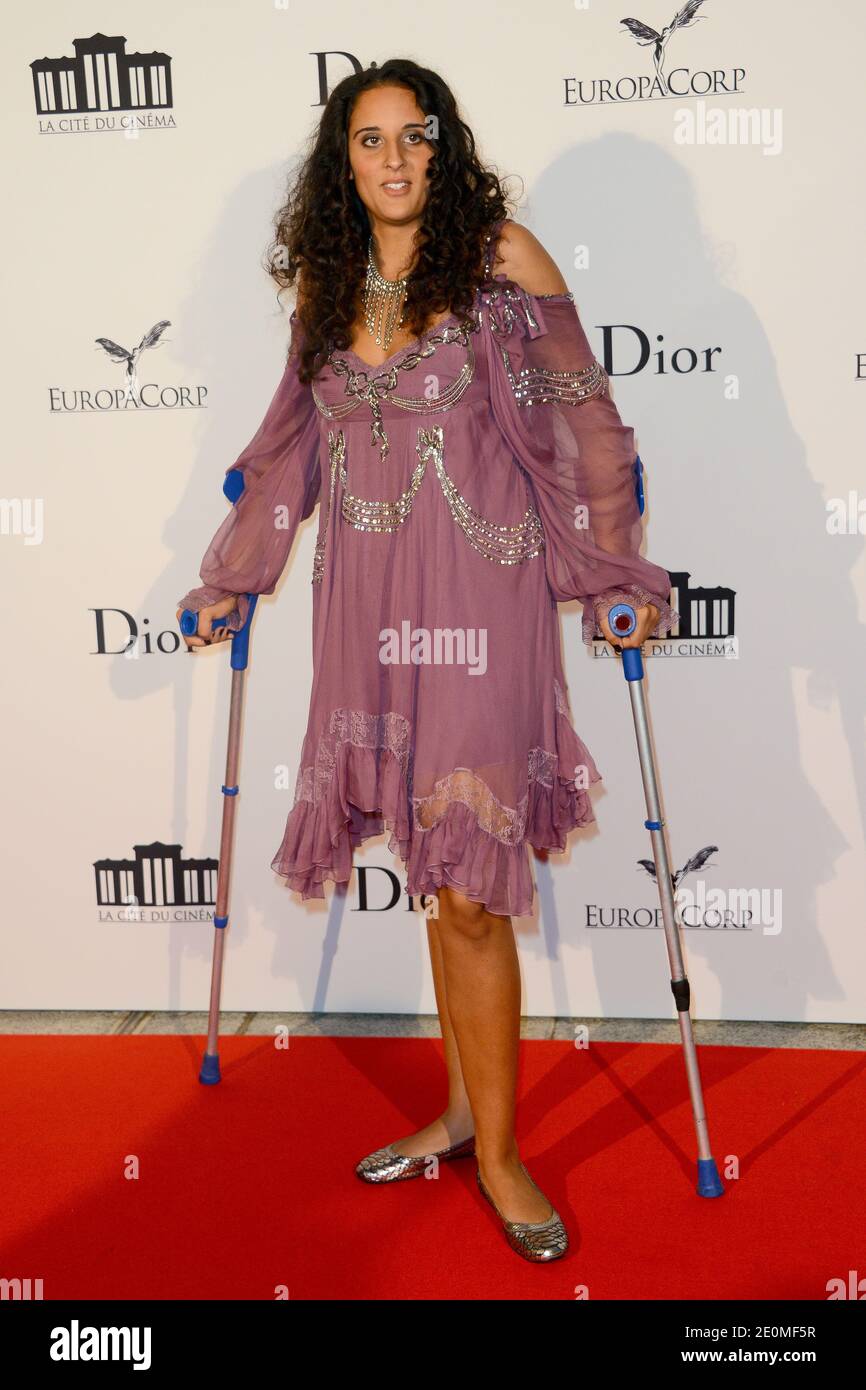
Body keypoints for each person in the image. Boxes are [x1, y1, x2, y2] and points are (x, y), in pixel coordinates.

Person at [177, 59, 678, 1263]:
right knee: (426, 866)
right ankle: (461, 1113)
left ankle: (499, 1157)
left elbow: (586, 419)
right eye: (368, 140)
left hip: (481, 597)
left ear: (443, 145)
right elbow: (288, 447)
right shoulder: (327, 282)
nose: (393, 158)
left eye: (414, 135)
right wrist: (231, 577)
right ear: (339, 161)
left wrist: (616, 570)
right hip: (366, 605)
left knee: (465, 886)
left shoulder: (502, 258)